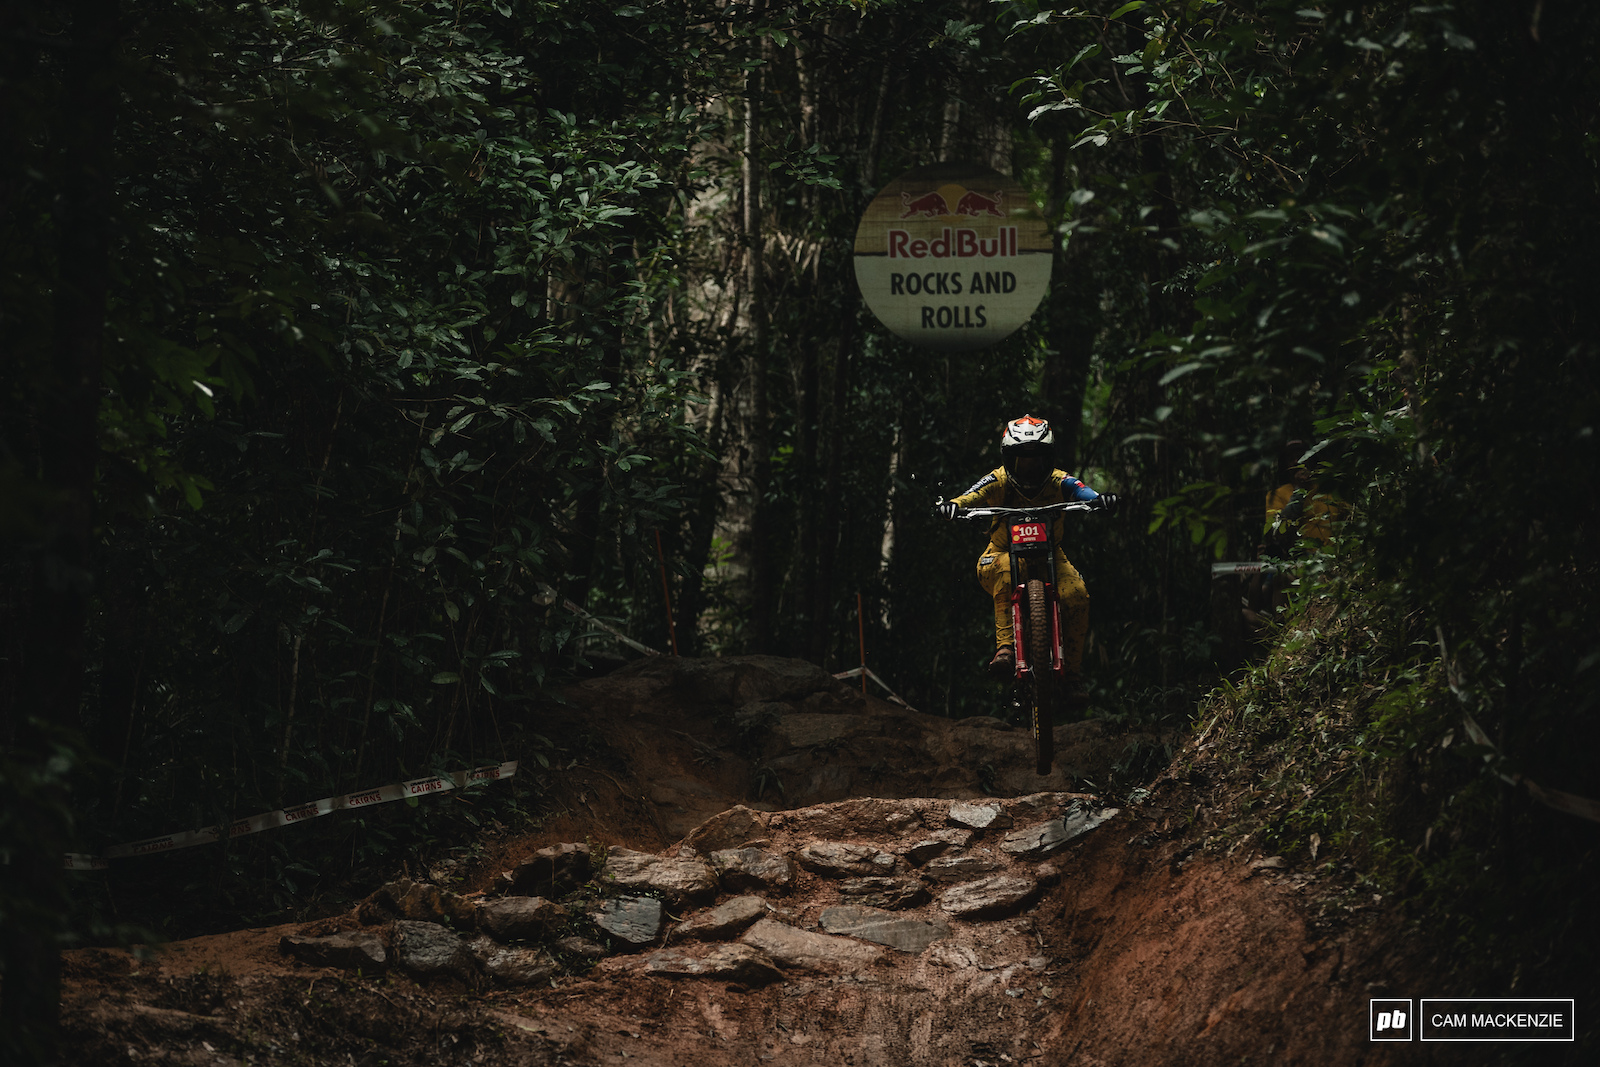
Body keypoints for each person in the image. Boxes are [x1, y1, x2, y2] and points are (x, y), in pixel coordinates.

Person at [935, 414, 1116, 703]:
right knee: (1008, 567)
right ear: (1009, 459)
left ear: (1049, 458)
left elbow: (1083, 491)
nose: (1029, 468)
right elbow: (968, 496)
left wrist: (1099, 499)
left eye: (1037, 460)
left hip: (1050, 557)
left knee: (1078, 595)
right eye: (1022, 460)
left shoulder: (1059, 480)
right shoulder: (997, 480)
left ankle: (1072, 676)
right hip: (999, 555)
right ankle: (1005, 648)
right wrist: (951, 507)